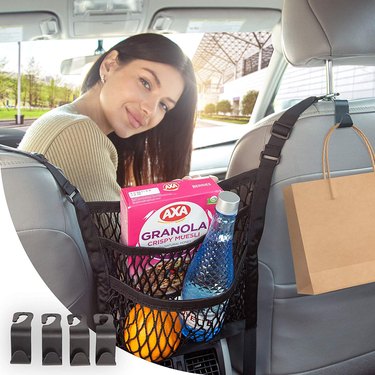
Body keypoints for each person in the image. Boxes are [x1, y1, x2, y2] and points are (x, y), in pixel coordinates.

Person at [18, 33, 197, 202]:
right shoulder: (76, 132)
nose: (149, 110)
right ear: (110, 65)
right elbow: (117, 233)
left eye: (163, 105)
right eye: (145, 83)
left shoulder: (67, 120)